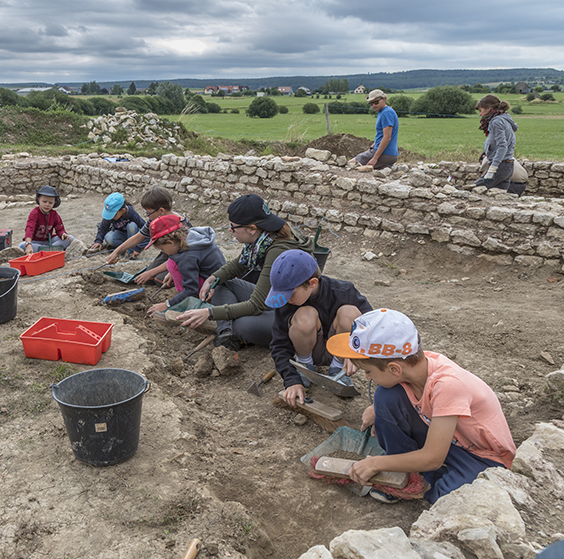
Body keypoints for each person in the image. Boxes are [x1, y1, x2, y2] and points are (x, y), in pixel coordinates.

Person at [326, 308, 516, 504]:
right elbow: (393, 395)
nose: (366, 377)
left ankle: (418, 478)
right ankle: (405, 473)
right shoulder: (415, 366)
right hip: (449, 438)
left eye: (367, 371)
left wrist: (375, 463)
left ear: (394, 369)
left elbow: (433, 458)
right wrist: (378, 409)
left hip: (483, 457)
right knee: (385, 395)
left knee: (448, 498)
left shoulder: (448, 385)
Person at [176, 194, 313, 351]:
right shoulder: (264, 239)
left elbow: (256, 305)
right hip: (274, 300)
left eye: (233, 227)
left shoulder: (277, 250)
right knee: (221, 283)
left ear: (252, 229)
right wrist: (212, 278)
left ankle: (235, 331)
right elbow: (239, 264)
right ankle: (227, 334)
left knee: (242, 324)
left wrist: (209, 312)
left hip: (291, 312)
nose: (230, 230)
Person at [267, 250, 372, 407]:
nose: (286, 299)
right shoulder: (288, 303)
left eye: (291, 293)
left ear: (313, 283)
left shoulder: (345, 291)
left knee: (350, 313)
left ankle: (338, 369)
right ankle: (305, 367)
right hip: (309, 351)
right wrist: (291, 380)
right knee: (305, 315)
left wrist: (357, 350)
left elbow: (374, 327)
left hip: (341, 352)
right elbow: (279, 345)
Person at [108, 186, 190, 286]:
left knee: (159, 280)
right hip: (168, 253)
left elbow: (184, 255)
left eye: (148, 213)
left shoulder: (182, 226)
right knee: (147, 279)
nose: (147, 216)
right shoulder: (154, 220)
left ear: (161, 211)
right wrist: (117, 251)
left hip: (184, 257)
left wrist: (154, 272)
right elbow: (139, 237)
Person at [144, 215, 226, 315]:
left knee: (172, 264)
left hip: (216, 288)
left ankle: (194, 302)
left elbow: (191, 289)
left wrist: (167, 304)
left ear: (170, 242)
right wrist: (172, 273)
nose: (164, 252)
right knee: (172, 262)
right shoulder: (192, 236)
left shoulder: (187, 258)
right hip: (220, 277)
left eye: (163, 249)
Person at [473, 94, 526, 196]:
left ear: (489, 108)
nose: (480, 114)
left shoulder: (496, 122)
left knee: (473, 191)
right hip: (508, 164)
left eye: (481, 110)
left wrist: (494, 167)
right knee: (501, 197)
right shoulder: (504, 119)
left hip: (500, 165)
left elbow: (502, 146)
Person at [351, 89, 399, 170]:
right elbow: (380, 136)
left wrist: (375, 158)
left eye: (376, 102)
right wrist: (370, 149)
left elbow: (387, 137)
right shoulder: (383, 112)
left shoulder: (386, 113)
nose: (373, 105)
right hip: (389, 154)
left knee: (349, 165)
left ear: (383, 99)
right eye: (371, 103)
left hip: (384, 154)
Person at [18, 185, 74, 254]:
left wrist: (63, 234)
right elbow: (30, 228)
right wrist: (28, 244)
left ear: (55, 202)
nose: (47, 205)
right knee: (21, 246)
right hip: (35, 242)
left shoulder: (54, 214)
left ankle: (45, 251)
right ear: (38, 199)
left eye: (50, 203)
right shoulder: (34, 213)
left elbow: (59, 228)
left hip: (49, 241)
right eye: (44, 201)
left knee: (71, 238)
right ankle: (51, 251)